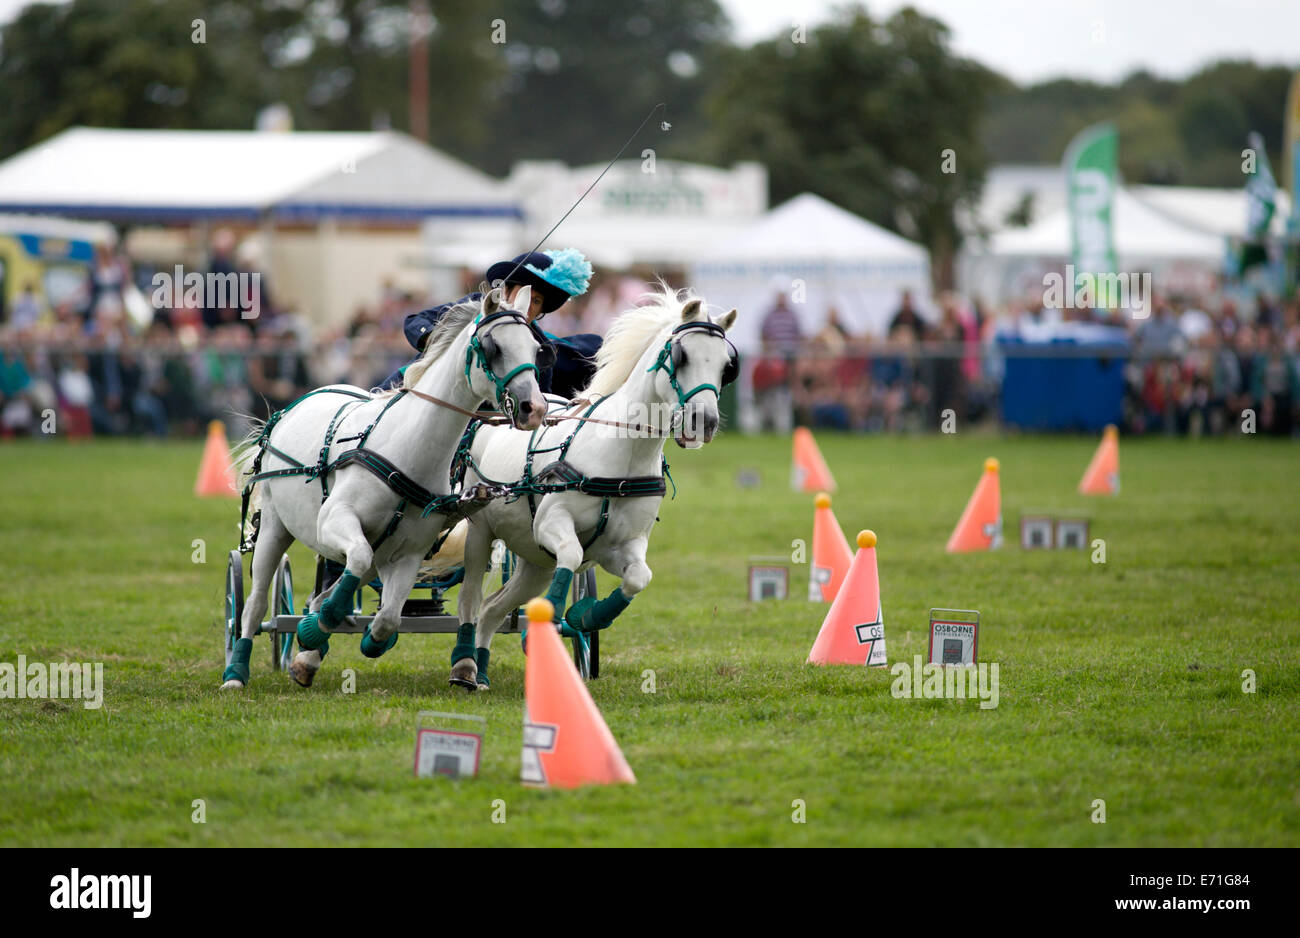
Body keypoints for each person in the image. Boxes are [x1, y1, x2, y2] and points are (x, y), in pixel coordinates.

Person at [379, 248, 597, 398]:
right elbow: (416, 322)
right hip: (413, 386)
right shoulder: (476, 305)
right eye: (522, 294)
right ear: (505, 290)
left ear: (541, 310)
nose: (526, 305)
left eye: (536, 301)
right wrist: (440, 340)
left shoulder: (541, 350)